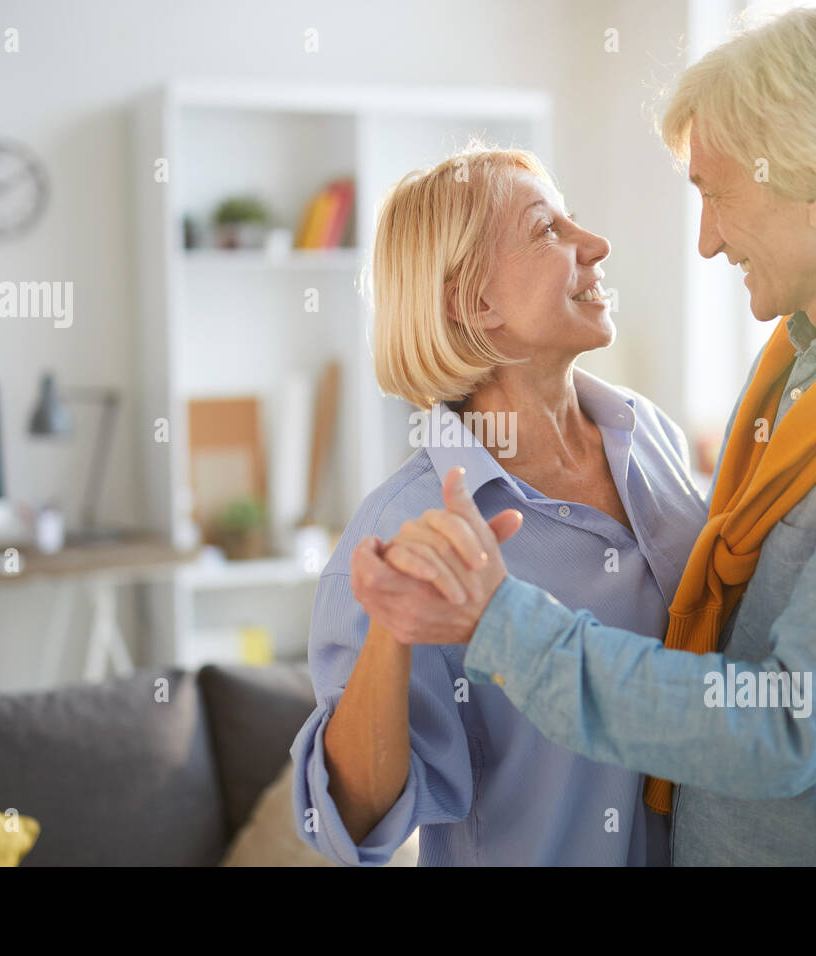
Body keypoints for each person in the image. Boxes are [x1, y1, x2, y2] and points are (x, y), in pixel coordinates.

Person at [349, 6, 816, 865]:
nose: (703, 242)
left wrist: (503, 623)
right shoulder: (811, 365)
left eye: (717, 192)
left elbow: (782, 723)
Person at [289, 145, 708, 865]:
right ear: (470, 300)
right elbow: (353, 822)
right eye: (548, 230)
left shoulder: (649, 435)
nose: (596, 245)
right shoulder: (402, 529)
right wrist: (394, 628)